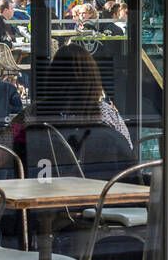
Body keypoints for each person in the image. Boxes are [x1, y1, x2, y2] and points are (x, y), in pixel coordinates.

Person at [30, 43, 134, 176]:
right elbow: (127, 151)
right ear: (93, 78)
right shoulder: (107, 114)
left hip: (45, 187)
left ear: (53, 77)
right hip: (100, 190)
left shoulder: (32, 113)